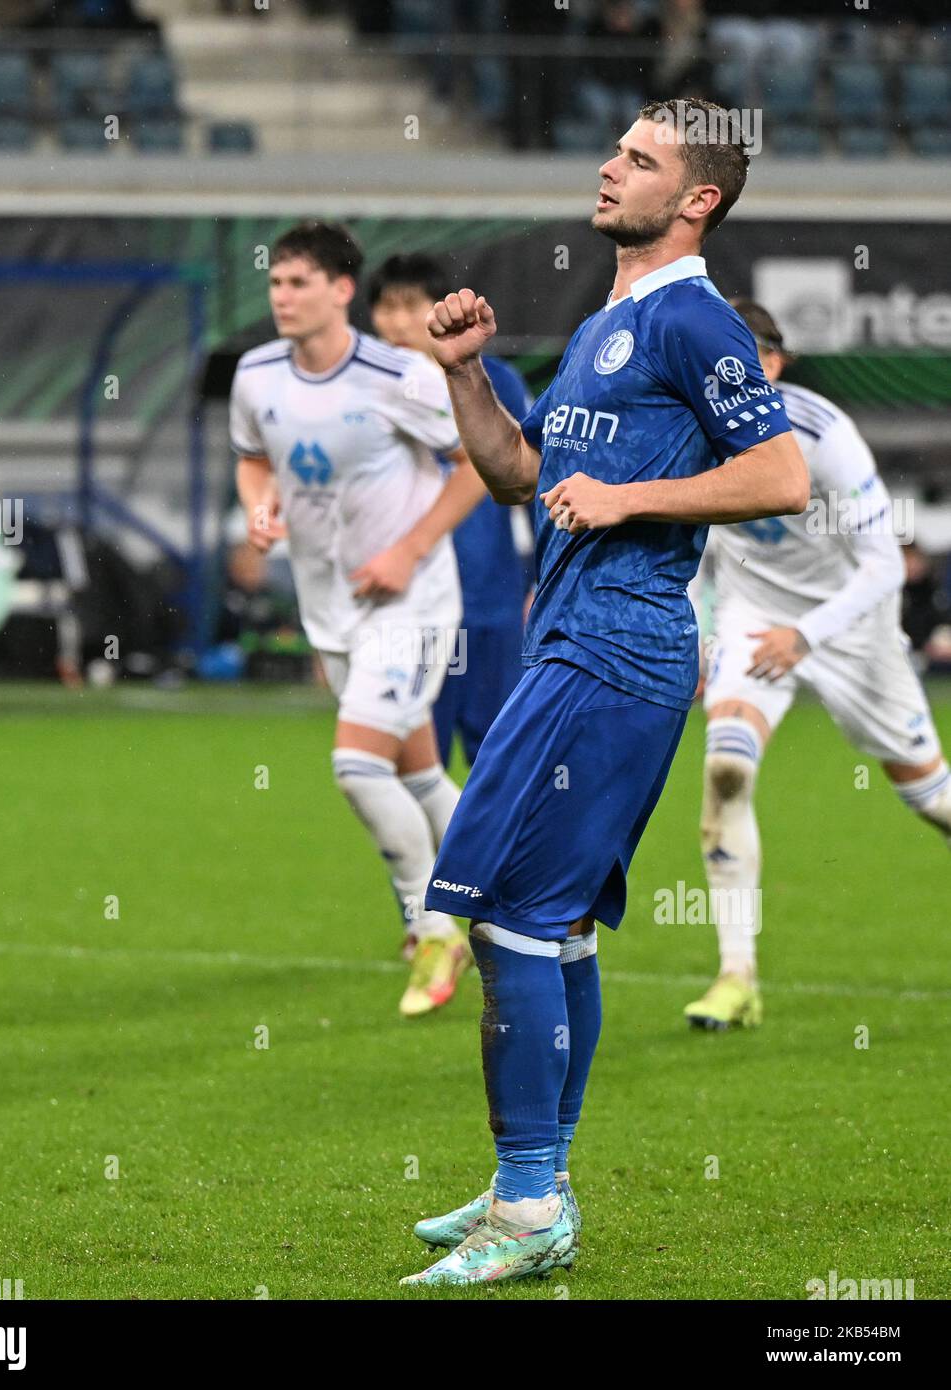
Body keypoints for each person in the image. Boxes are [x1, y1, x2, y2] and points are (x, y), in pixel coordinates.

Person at [399, 98, 810, 1286]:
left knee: (499, 914)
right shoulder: (605, 321)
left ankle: (529, 1200)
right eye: (614, 148)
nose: (607, 166)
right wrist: (467, 376)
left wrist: (632, 503)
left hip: (613, 649)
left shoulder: (695, 321)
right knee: (556, 921)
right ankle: (539, 1180)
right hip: (578, 648)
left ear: (696, 200)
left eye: (639, 159)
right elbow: (525, 475)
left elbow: (778, 472)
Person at [230, 221, 487, 1018]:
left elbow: (479, 463)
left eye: (299, 283)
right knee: (416, 773)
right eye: (275, 283)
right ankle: (496, 892)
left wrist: (410, 550)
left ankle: (433, 924)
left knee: (355, 766)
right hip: (332, 608)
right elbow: (252, 456)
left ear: (342, 290)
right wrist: (259, 508)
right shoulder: (255, 374)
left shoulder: (397, 375)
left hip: (409, 601)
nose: (282, 296)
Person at [684, 299, 951, 1031]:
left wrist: (805, 636)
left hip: (851, 627)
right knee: (726, 771)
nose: (734, 369)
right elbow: (690, 545)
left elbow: (883, 568)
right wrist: (699, 632)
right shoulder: (690, 424)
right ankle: (736, 977)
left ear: (778, 360)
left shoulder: (824, 434)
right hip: (752, 618)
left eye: (752, 354)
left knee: (934, 800)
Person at [367, 252, 534, 773]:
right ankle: (428, 859)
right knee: (413, 764)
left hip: (492, 601)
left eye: (408, 306)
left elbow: (535, 480)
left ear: (436, 309)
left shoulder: (494, 381)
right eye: (384, 308)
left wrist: (541, 582)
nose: (395, 322)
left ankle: (500, 858)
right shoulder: (367, 390)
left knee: (501, 762)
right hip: (407, 603)